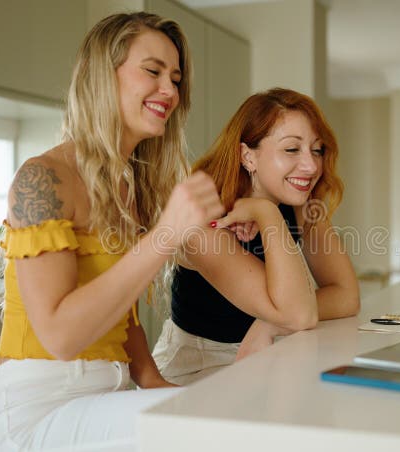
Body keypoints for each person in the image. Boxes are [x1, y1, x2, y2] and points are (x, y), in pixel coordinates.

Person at [0, 12, 225, 451]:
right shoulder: (42, 178)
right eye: (152, 71)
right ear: (101, 76)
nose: (170, 91)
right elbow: (60, 337)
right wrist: (164, 235)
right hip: (42, 411)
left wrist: (157, 383)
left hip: (104, 397)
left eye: (175, 78)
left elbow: (118, 311)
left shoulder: (127, 187)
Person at [152, 88, 360, 385]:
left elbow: (346, 295)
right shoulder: (203, 218)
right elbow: (299, 315)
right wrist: (267, 213)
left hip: (266, 352)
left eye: (317, 150)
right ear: (247, 156)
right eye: (292, 149)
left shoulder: (301, 203)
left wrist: (268, 323)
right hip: (197, 368)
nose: (312, 166)